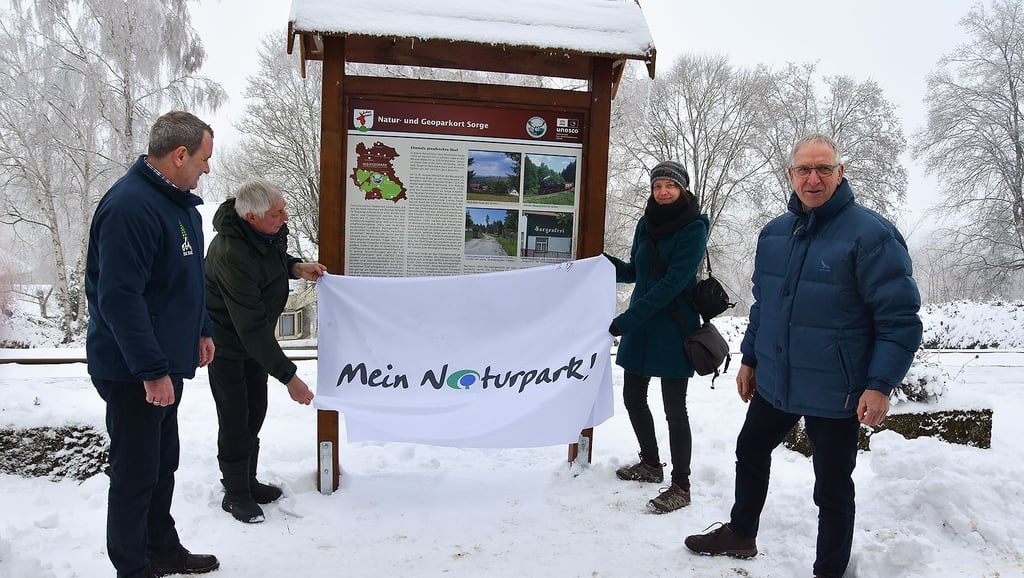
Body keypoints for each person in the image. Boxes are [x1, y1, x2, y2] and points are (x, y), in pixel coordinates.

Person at [684, 133, 922, 577]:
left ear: (840, 173)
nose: (814, 178)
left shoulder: (872, 236)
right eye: (805, 170)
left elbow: (899, 320)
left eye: (824, 169)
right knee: (750, 448)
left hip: (836, 389)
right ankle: (741, 533)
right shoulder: (775, 234)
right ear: (790, 175)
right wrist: (750, 358)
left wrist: (879, 385)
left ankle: (829, 570)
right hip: (777, 378)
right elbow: (764, 306)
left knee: (831, 488)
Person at [86, 111, 220, 577]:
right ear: (179, 154)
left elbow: (187, 281)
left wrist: (202, 327)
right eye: (203, 158)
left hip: (164, 363)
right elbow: (120, 298)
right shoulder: (130, 207)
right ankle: (132, 567)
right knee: (136, 474)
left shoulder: (180, 208)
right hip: (132, 371)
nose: (207, 168)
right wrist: (151, 371)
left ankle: (161, 549)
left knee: (162, 465)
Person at [204, 177, 326, 523]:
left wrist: (294, 266)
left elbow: (269, 258)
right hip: (227, 344)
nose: (285, 217)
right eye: (277, 213)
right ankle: (235, 493)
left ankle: (248, 480)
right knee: (234, 417)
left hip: (253, 345)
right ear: (251, 217)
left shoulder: (263, 233)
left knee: (255, 410)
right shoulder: (230, 253)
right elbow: (252, 327)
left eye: (283, 209)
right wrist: (289, 377)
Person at [604, 160, 709, 514]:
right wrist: (604, 265)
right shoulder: (644, 223)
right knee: (633, 397)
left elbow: (672, 284)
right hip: (643, 326)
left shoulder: (694, 227)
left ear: (682, 189)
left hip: (673, 327)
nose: (663, 191)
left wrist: (625, 322)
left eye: (670, 186)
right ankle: (650, 463)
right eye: (657, 186)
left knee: (674, 409)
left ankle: (681, 485)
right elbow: (637, 271)